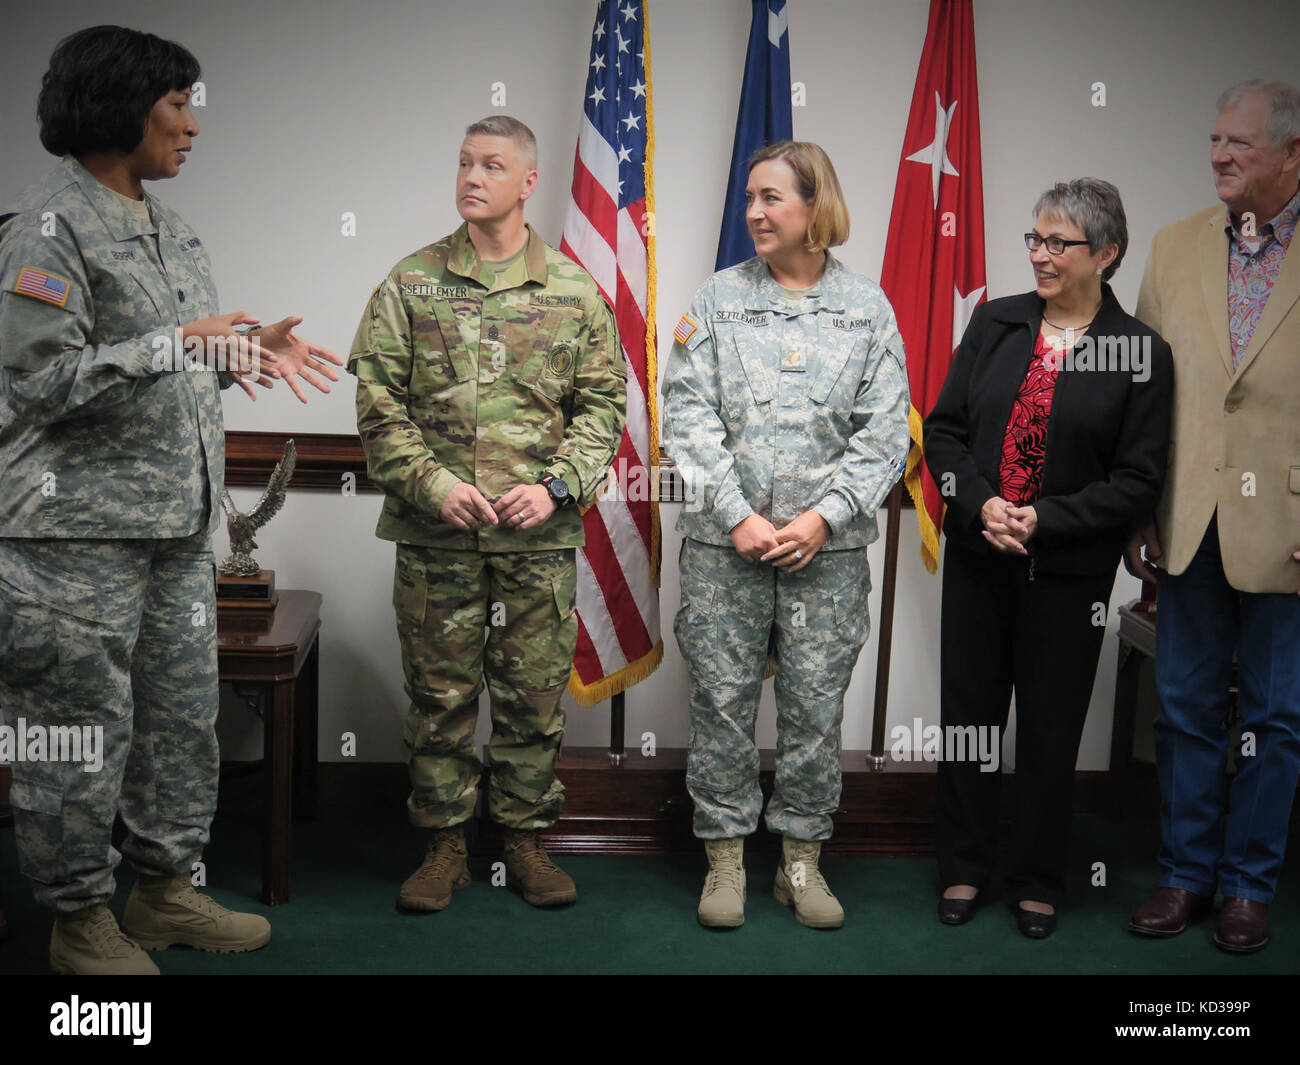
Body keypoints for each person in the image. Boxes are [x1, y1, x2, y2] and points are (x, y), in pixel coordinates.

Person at [0, 26, 341, 975]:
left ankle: (161, 891)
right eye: (177, 106)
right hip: (72, 538)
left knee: (179, 717)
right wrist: (177, 342)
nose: (193, 125)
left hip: (174, 528)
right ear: (119, 105)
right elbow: (38, 385)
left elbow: (168, 374)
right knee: (78, 729)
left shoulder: (167, 225)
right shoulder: (46, 229)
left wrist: (233, 353)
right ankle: (78, 920)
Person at [350, 116, 626, 914]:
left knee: (533, 694)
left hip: (536, 538)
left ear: (527, 182)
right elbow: (377, 405)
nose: (472, 175)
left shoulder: (574, 290)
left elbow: (605, 408)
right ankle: (442, 842)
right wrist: (433, 485)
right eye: (464, 161)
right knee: (438, 697)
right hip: (437, 537)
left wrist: (557, 485)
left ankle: (524, 838)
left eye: (491, 164)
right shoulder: (411, 282)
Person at [663, 141, 909, 930]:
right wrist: (737, 514)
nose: (755, 213)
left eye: (772, 198)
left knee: (814, 710)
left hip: (825, 558)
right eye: (750, 198)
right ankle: (726, 861)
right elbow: (686, 417)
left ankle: (800, 862)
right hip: (722, 550)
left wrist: (821, 516)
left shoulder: (867, 309)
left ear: (816, 207)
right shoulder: (716, 300)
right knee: (724, 705)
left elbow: (884, 437)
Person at [924, 178, 1173, 939]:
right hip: (978, 556)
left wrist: (1046, 520)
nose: (1039, 254)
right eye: (1034, 238)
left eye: (1058, 243)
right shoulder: (995, 321)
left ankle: (1038, 877)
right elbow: (944, 434)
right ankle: (965, 864)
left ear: (1107, 253)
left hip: (1068, 578)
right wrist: (980, 503)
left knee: (1050, 727)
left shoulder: (1141, 352)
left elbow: (1136, 478)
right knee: (969, 719)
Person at [1126, 80, 1300, 954]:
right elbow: (1145, 396)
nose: (1219, 156)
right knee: (1185, 708)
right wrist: (1138, 508)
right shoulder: (1171, 246)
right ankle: (1184, 876)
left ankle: (1247, 887)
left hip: (1289, 535)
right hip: (1187, 519)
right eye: (1214, 139)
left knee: (1276, 720)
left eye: (1239, 143)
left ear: (1291, 154)